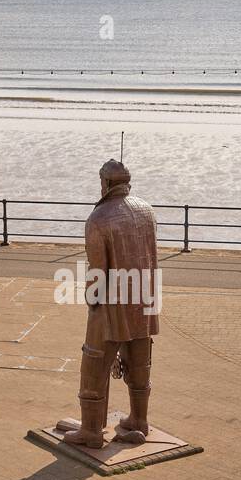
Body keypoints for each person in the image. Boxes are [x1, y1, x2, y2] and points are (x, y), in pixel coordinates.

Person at [64, 159, 160, 448]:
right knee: (140, 361)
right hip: (144, 299)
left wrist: (91, 300)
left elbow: (98, 271)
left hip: (111, 306)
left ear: (105, 183)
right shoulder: (147, 210)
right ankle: (138, 420)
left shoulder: (99, 218)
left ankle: (91, 430)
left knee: (94, 363)